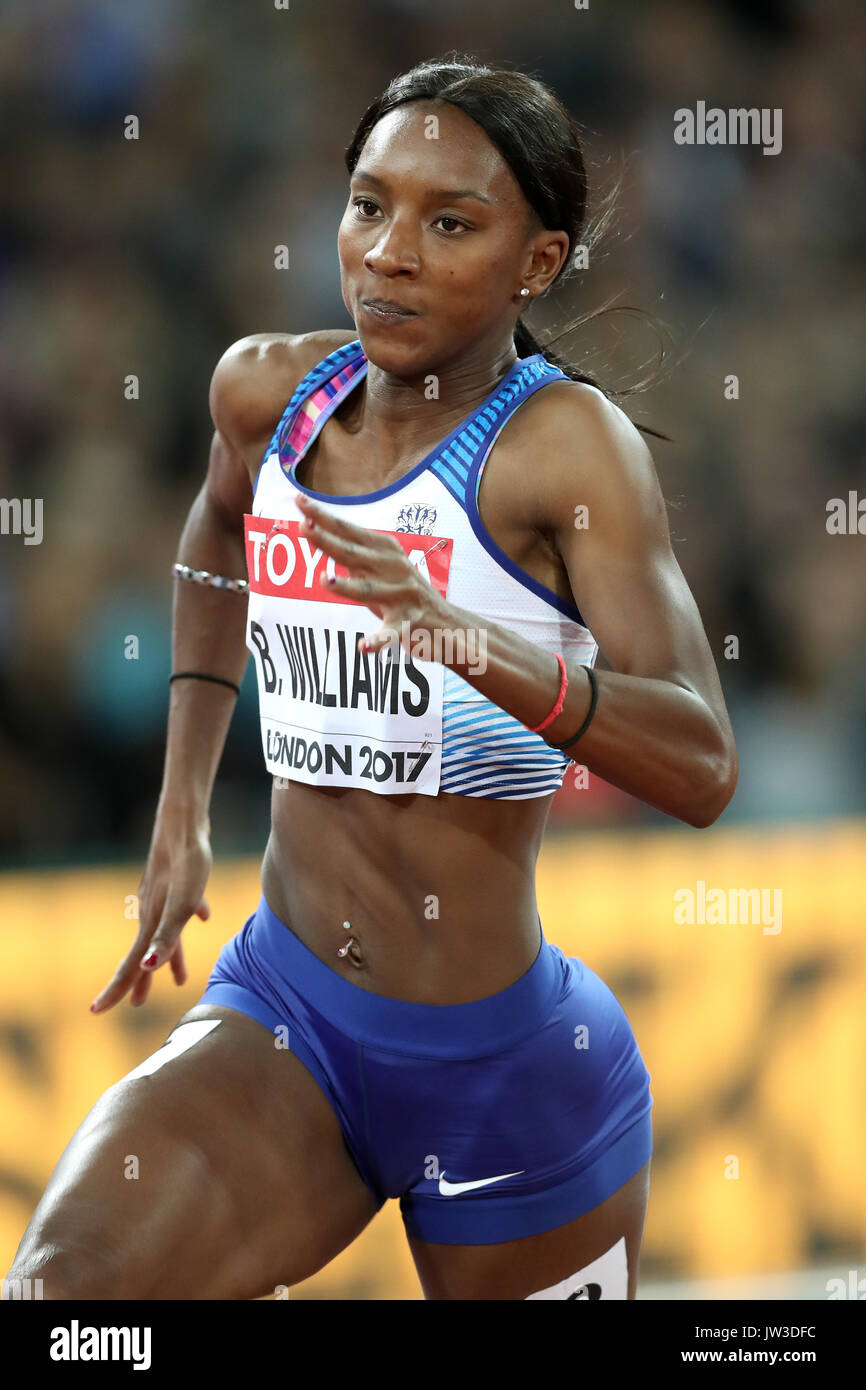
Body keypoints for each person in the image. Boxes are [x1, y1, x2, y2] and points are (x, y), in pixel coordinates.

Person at [5, 56, 736, 1301]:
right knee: (68, 1304)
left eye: (449, 222)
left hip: (508, 1073)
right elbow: (214, 539)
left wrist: (470, 640)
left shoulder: (561, 450)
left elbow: (702, 764)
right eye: (367, 204)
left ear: (538, 263)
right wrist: (182, 805)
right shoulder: (268, 394)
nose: (388, 252)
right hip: (285, 1020)